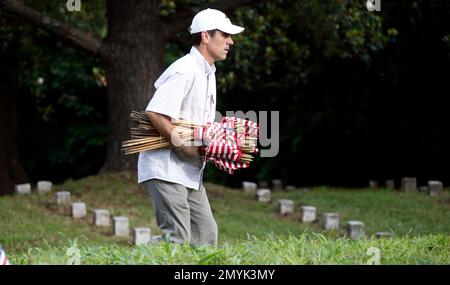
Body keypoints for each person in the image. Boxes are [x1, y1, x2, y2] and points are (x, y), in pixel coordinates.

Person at [138, 8, 244, 247]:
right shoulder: (185, 69)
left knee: (205, 237)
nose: (231, 41)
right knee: (177, 240)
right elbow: (154, 112)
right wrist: (181, 144)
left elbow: (198, 123)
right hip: (166, 167)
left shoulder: (208, 73)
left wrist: (220, 139)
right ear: (206, 36)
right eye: (225, 35)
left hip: (190, 171)